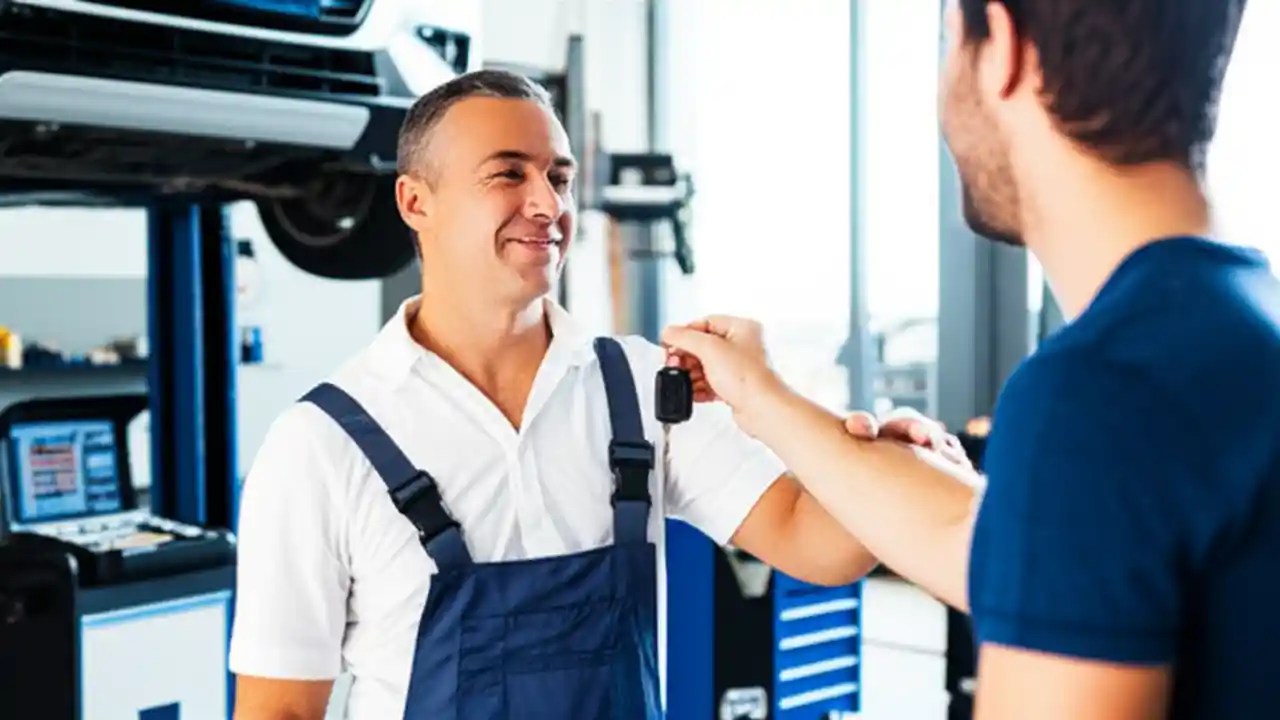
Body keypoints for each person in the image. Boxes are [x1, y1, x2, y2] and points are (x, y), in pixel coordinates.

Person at [225, 69, 952, 720]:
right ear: (416, 201)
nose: (548, 204)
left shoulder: (641, 387)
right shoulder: (319, 443)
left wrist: (890, 474)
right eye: (508, 174)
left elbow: (813, 542)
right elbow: (278, 710)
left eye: (560, 177)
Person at [662, 1, 1279, 718]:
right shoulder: (1236, 332)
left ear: (1005, 49)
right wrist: (762, 397)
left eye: (949, 45)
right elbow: (1017, 550)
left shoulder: (1102, 393)